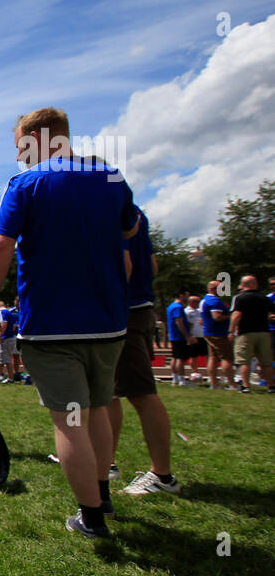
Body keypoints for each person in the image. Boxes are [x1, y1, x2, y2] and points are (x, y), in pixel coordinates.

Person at [0, 107, 139, 541]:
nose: (19, 157)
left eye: (20, 148)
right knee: (99, 411)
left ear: (36, 138)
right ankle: (102, 493)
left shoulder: (27, 184)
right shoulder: (110, 177)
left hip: (52, 325)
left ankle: (90, 517)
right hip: (108, 323)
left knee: (69, 421)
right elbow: (130, 237)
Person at [109, 208, 180, 499]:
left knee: (140, 392)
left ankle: (162, 475)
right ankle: (106, 463)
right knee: (107, 393)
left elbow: (122, 264)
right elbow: (151, 265)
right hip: (135, 307)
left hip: (122, 309)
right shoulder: (133, 213)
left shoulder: (106, 209)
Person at [229, 275, 275, 393]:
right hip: (264, 332)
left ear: (243, 285)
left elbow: (237, 314)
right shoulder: (264, 298)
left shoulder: (241, 298)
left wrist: (231, 330)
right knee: (266, 362)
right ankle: (272, 386)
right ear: (256, 284)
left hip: (246, 332)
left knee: (244, 361)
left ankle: (245, 386)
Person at [201, 280, 233, 389]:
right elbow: (217, 317)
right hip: (218, 333)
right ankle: (232, 384)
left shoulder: (205, 300)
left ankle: (214, 384)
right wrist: (231, 317)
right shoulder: (213, 301)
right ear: (213, 289)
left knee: (213, 358)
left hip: (209, 332)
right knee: (227, 358)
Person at [165, 289, 193, 386]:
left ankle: (175, 378)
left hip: (173, 336)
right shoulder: (178, 307)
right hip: (179, 336)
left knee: (175, 357)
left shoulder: (171, 306)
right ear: (181, 295)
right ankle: (182, 380)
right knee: (180, 358)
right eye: (186, 295)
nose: (187, 298)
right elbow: (179, 322)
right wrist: (187, 336)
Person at [0, 299, 20, 381]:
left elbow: (4, 323)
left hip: (5, 338)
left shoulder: (2, 312)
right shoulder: (10, 313)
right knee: (5, 358)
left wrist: (0, 335)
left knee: (4, 358)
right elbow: (13, 326)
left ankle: (8, 377)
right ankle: (1, 376)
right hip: (12, 337)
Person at [184, 294, 206, 379]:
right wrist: (189, 336)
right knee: (193, 355)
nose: (198, 303)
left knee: (207, 354)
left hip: (202, 335)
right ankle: (195, 372)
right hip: (193, 336)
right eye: (195, 301)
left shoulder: (200, 311)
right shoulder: (186, 311)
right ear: (190, 302)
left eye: (198, 301)